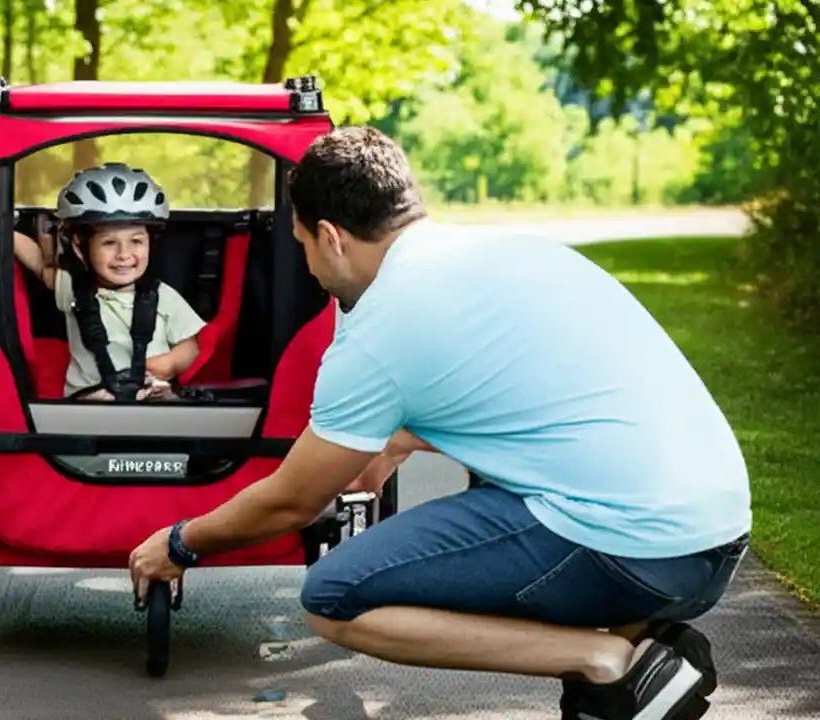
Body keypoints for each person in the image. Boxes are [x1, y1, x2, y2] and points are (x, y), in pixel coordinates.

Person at [128, 126, 751, 720]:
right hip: (716, 536)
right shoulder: (511, 252)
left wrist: (181, 543)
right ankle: (641, 658)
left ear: (331, 236)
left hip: (627, 546)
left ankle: (606, 656)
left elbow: (292, 502)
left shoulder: (381, 326)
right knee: (498, 497)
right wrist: (401, 440)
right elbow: (528, 404)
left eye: (303, 247)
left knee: (334, 595)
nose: (311, 269)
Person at [13, 162, 207, 401]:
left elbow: (191, 344)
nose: (123, 254)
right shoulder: (73, 289)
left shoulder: (164, 296)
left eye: (136, 241)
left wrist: (170, 363)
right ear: (80, 247)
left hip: (151, 397)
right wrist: (2, 228)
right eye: (109, 243)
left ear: (150, 244)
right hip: (89, 401)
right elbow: (39, 265)